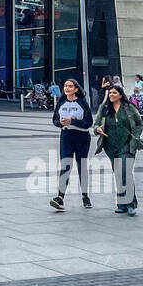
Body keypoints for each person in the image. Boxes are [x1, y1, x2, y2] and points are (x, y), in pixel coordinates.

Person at [94, 83, 143, 215]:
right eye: (110, 93)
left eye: (114, 93)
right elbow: (96, 123)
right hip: (110, 147)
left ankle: (131, 203)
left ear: (121, 95)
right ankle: (121, 203)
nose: (111, 95)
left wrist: (136, 137)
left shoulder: (129, 108)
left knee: (125, 173)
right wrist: (98, 129)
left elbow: (139, 123)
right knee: (118, 174)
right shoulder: (104, 108)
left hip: (127, 145)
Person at [50, 78, 94, 211]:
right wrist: (61, 123)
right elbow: (55, 120)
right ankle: (60, 197)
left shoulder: (82, 102)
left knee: (82, 166)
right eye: (65, 86)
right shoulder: (61, 101)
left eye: (70, 86)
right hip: (66, 136)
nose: (67, 88)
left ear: (76, 89)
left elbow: (89, 122)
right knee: (65, 166)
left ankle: (85, 196)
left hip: (81, 137)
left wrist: (73, 121)